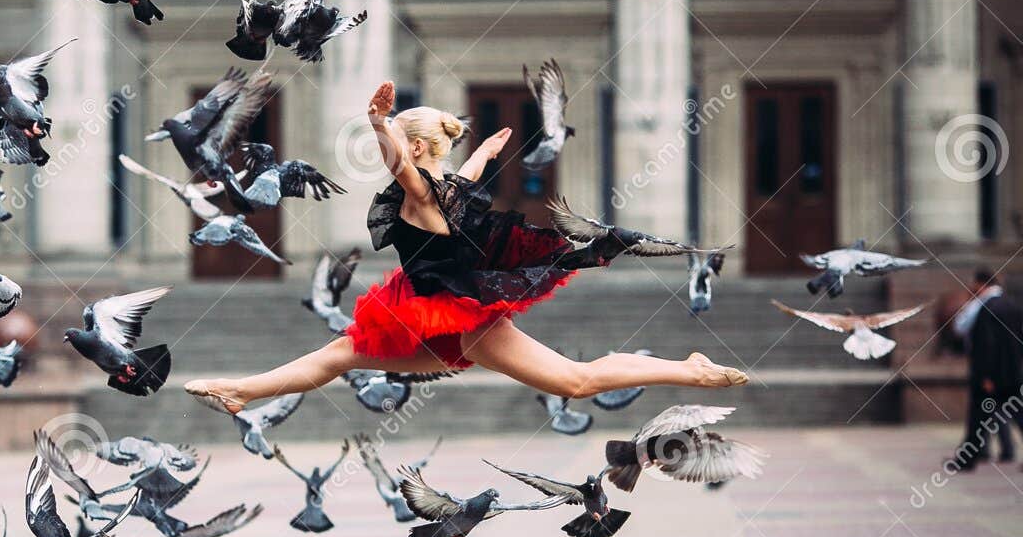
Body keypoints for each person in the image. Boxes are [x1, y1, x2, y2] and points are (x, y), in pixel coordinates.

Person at [185, 81, 747, 414]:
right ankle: (240, 391)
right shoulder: (450, 191)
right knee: (338, 356)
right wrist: (483, 153)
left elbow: (402, 169)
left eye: (400, 142)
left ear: (415, 148)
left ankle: (689, 370)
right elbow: (465, 175)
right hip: (427, 312)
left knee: (576, 382)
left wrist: (377, 123)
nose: (389, 151)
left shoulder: (422, 193)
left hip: (463, 319)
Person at [950, 269, 1023, 470]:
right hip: (1013, 373)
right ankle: (967, 459)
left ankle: (967, 460)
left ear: (981, 284)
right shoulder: (1012, 305)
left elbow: (986, 345)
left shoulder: (986, 309)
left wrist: (986, 376)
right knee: (1018, 415)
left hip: (990, 377)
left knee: (977, 420)